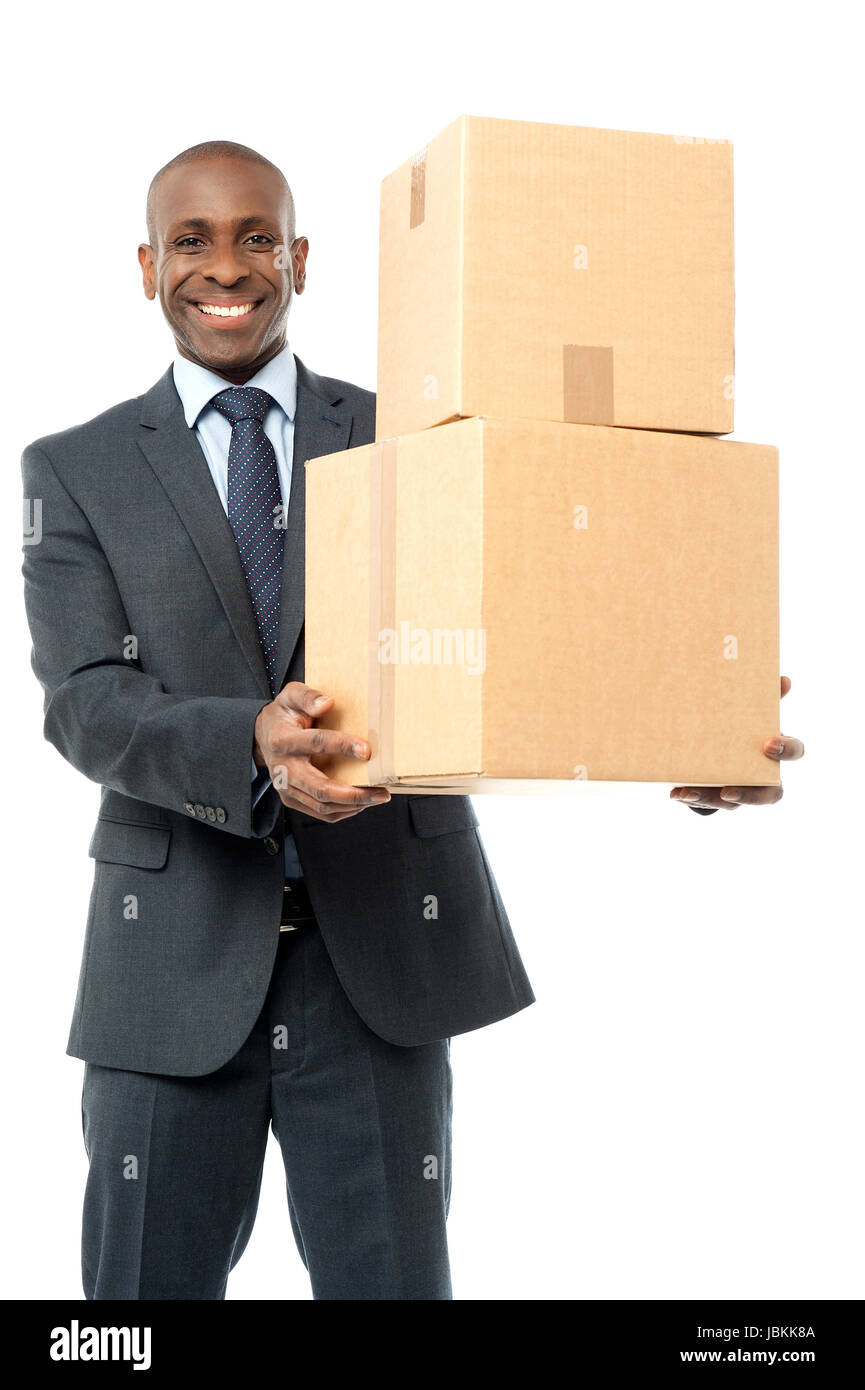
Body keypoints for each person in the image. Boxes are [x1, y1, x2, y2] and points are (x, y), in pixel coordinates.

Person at [20, 140, 803, 1302]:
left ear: (302, 259)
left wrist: (691, 729)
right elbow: (87, 702)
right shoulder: (75, 468)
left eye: (256, 237)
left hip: (379, 959)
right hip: (168, 966)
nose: (225, 265)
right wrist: (250, 744)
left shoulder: (421, 442)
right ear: (147, 264)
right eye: (191, 240)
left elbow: (543, 636)